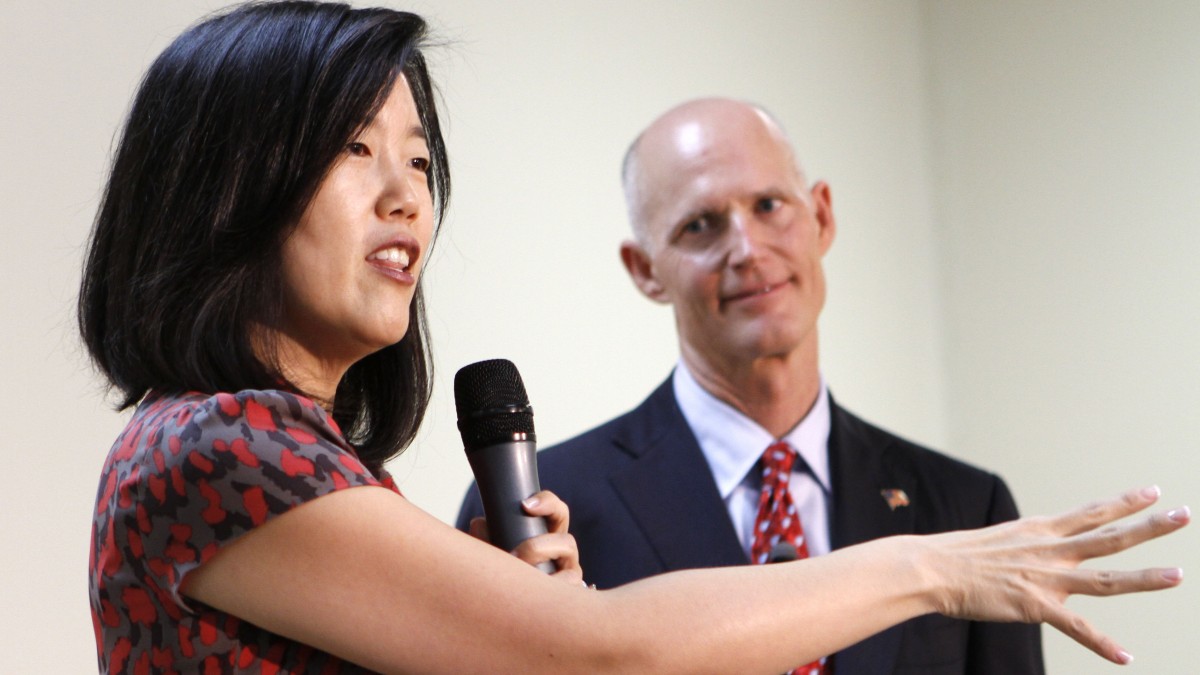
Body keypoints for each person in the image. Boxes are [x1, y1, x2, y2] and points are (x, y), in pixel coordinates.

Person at [82, 3, 1187, 673]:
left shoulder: (294, 458)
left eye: (418, 159)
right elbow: (610, 651)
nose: (407, 198)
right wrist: (929, 568)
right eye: (355, 150)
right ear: (224, 186)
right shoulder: (215, 448)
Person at [454, 98, 1069, 672]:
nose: (747, 249)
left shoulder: (964, 509)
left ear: (822, 215)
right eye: (700, 225)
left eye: (769, 206)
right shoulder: (538, 511)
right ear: (645, 270)